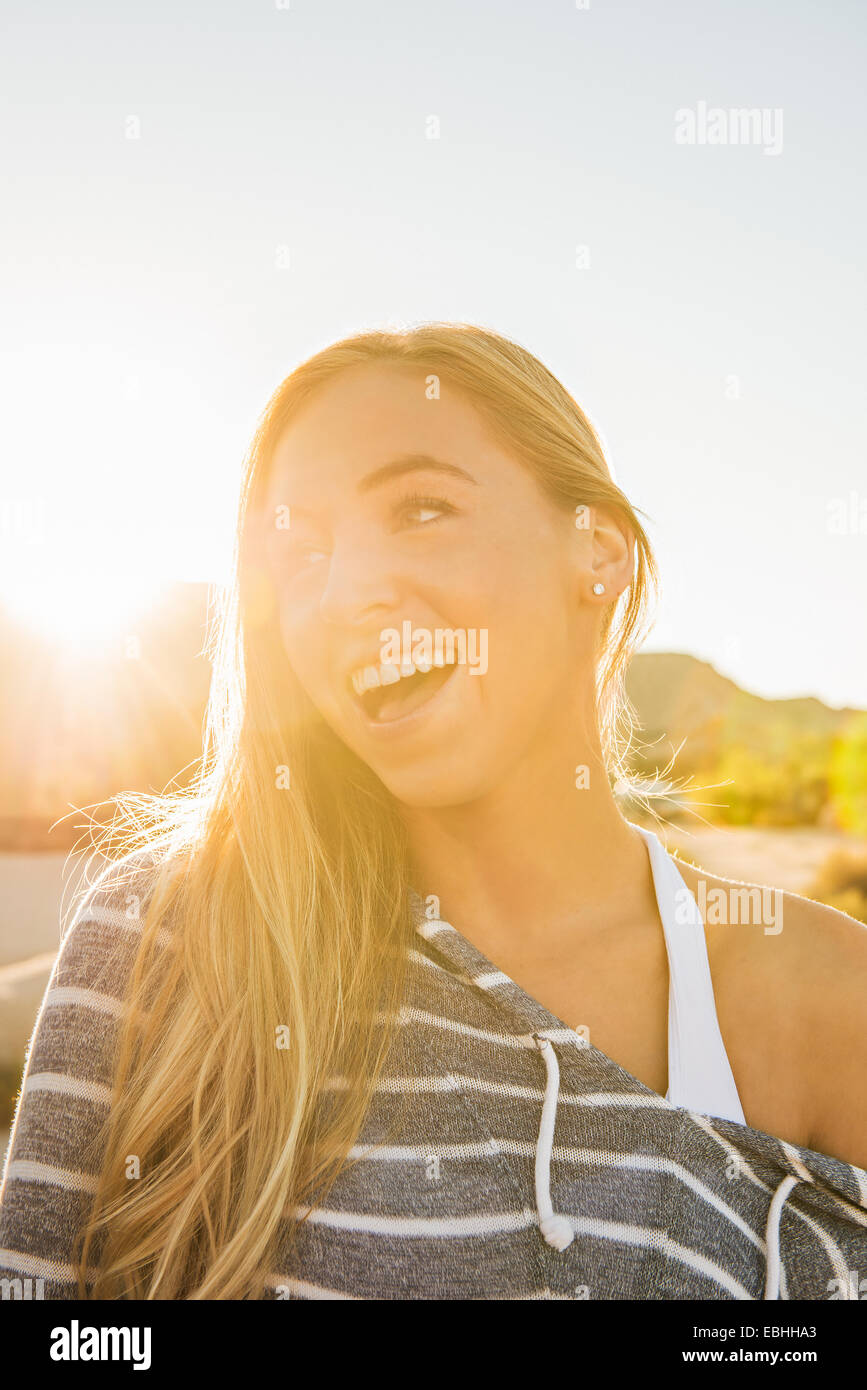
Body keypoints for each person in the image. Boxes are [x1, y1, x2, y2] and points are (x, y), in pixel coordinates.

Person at [1, 322, 865, 1300]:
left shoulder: (828, 998)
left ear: (598, 552)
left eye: (421, 509)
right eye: (304, 554)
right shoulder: (162, 942)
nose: (345, 594)